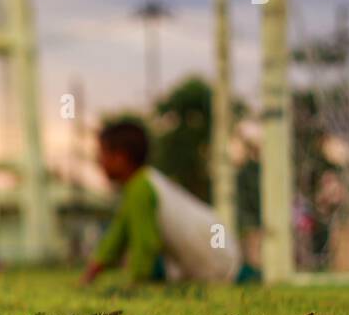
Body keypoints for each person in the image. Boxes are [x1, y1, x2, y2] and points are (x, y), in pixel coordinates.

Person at [79, 120, 244, 286]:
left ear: (121, 157)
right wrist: (90, 275)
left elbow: (145, 243)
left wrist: (138, 282)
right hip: (222, 252)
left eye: (102, 154)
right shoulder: (140, 184)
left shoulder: (141, 188)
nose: (99, 161)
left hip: (218, 262)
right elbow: (117, 236)